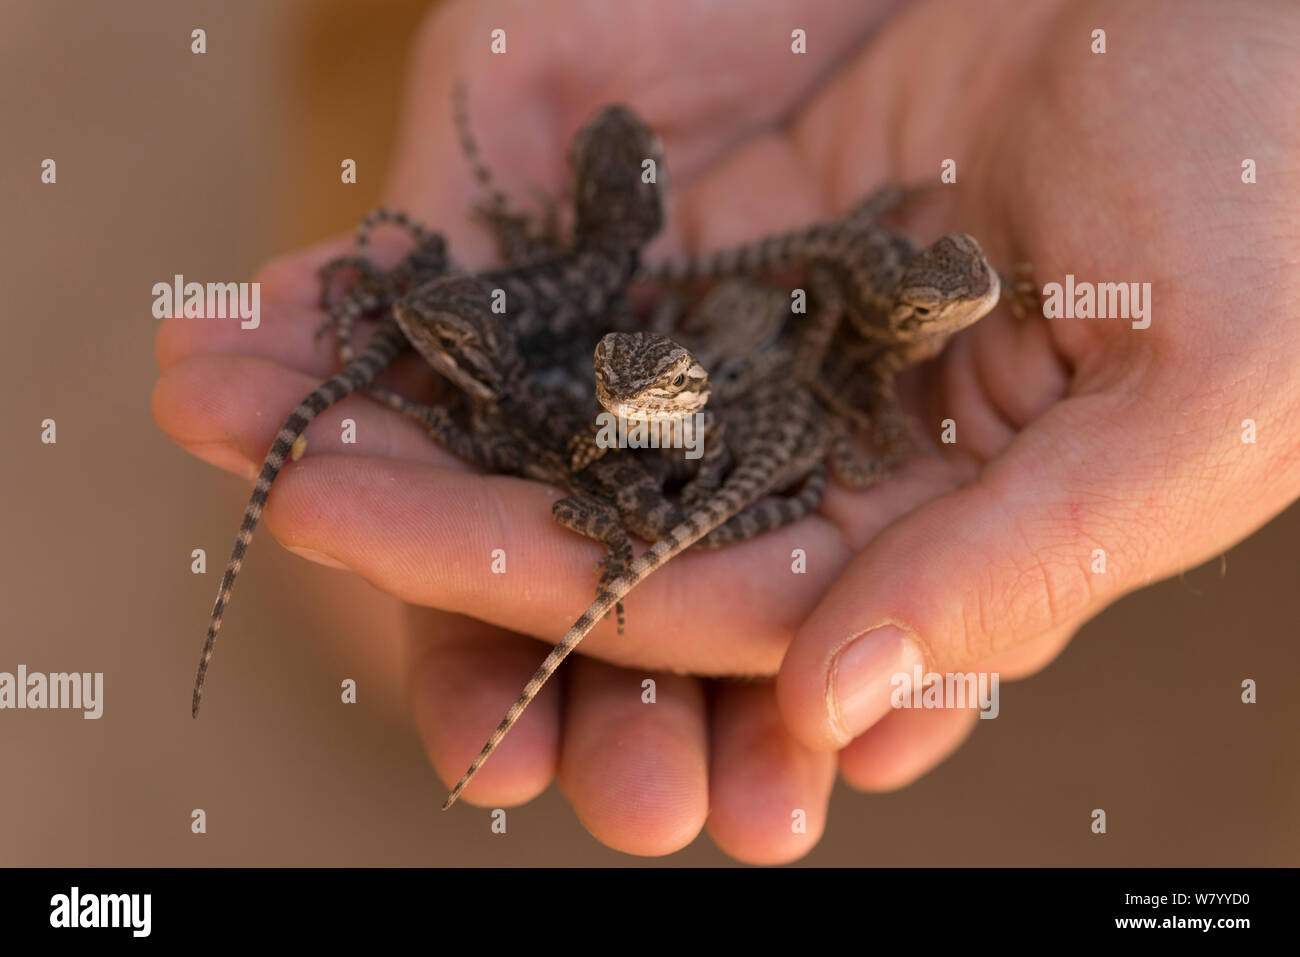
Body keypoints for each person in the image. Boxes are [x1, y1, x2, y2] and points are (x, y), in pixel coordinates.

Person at [152, 0, 1300, 863]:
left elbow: (815, 352)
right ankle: (380, 592)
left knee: (451, 569)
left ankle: (412, 582)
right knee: (402, 563)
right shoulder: (607, 353)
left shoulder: (834, 333)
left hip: (732, 389)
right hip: (647, 369)